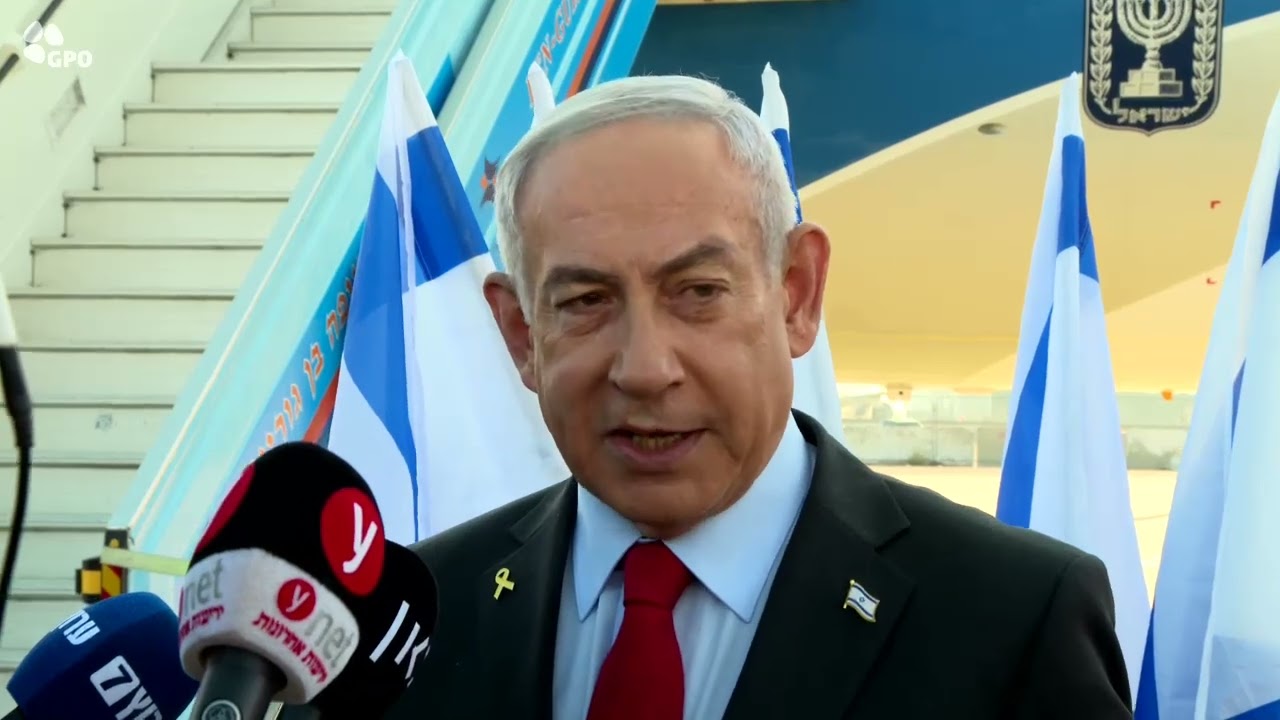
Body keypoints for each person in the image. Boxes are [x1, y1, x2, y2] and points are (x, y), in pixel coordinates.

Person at [384, 75, 1132, 719]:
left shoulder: (1012, 618)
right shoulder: (411, 616)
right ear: (520, 334)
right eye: (585, 301)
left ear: (798, 295)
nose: (645, 369)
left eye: (699, 292)